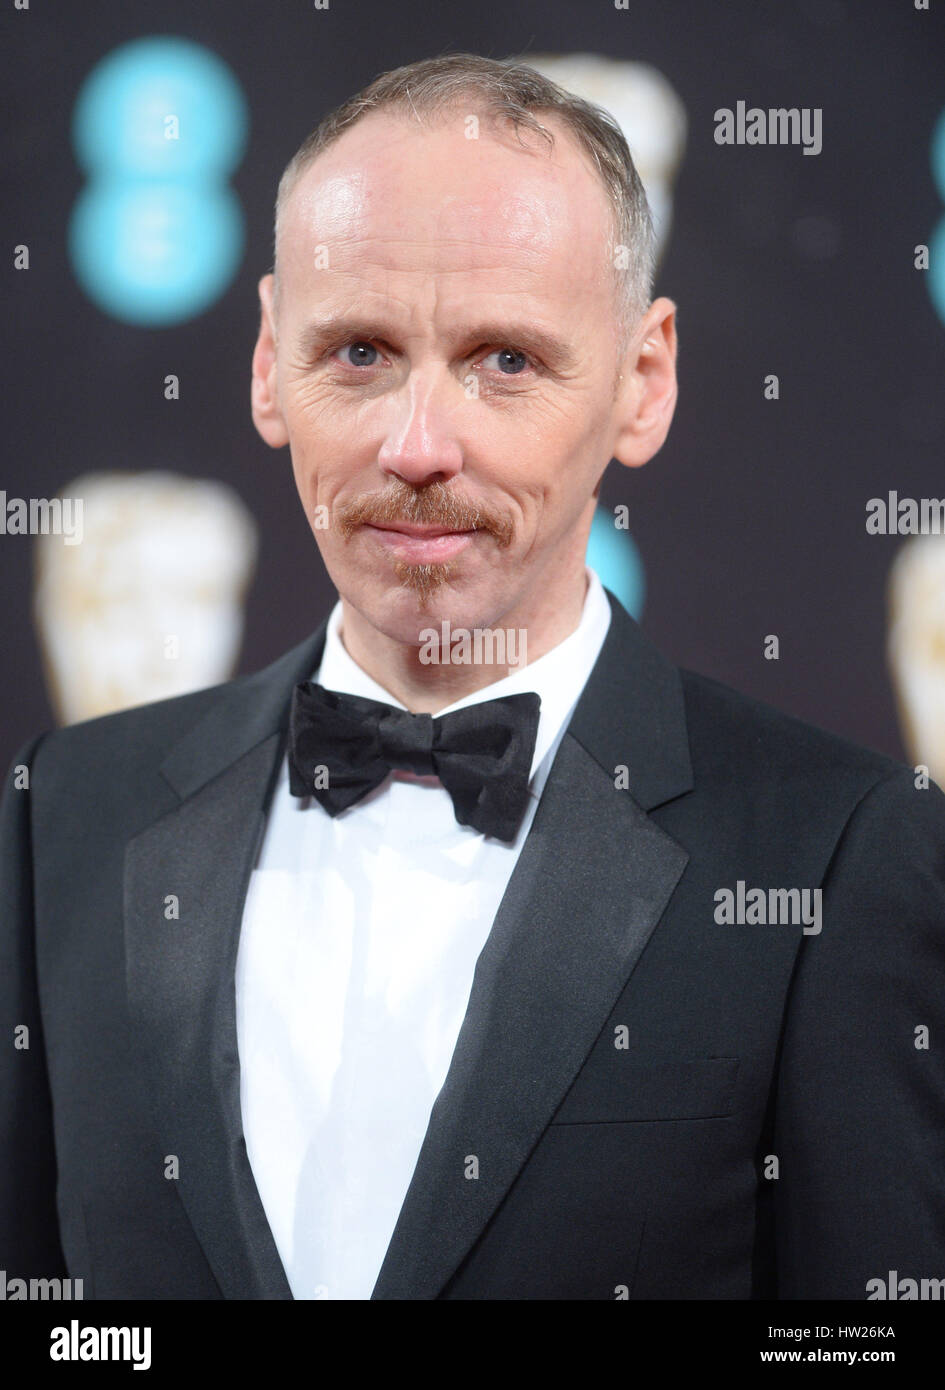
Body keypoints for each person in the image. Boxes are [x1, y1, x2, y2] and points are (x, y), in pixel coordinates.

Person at [2, 52, 944, 1302]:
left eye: (506, 360)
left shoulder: (835, 850)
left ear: (642, 382)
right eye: (356, 354)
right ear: (266, 363)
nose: (419, 446)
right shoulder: (73, 809)